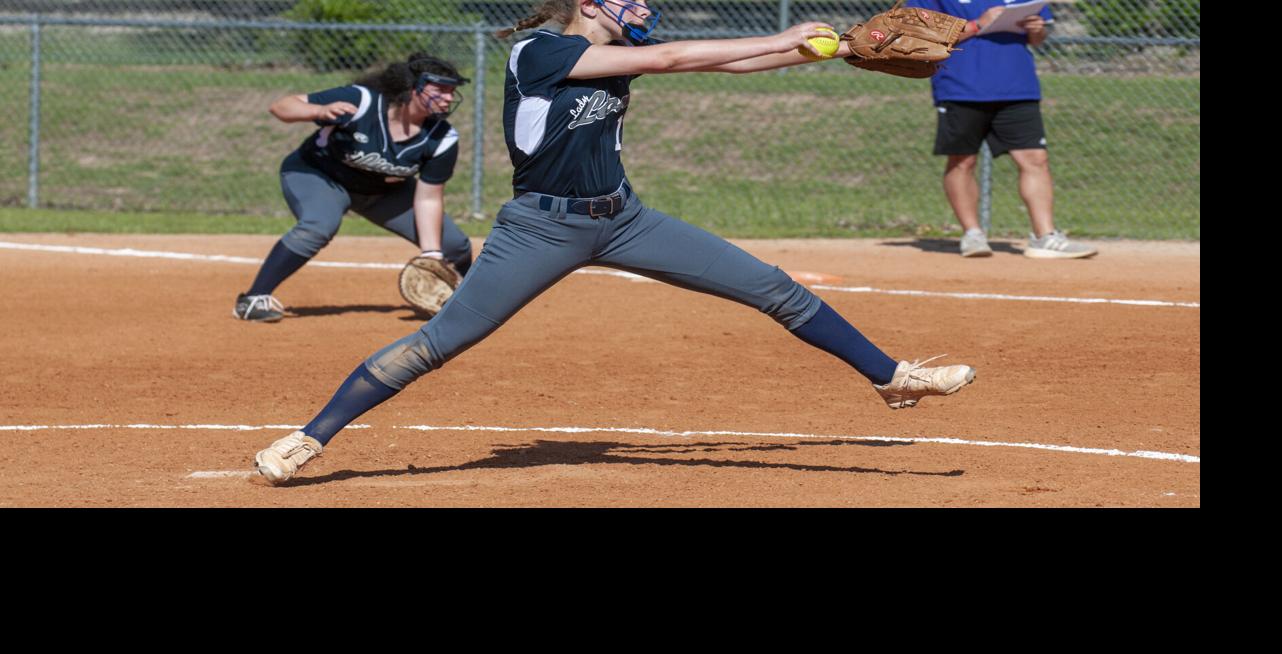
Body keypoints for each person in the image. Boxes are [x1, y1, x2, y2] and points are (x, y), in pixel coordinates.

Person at [252, 0, 977, 483]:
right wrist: (786, 35)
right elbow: (671, 61)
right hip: (540, 227)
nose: (641, 7)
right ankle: (311, 436)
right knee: (438, 343)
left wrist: (828, 50)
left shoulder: (618, 49)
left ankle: (892, 377)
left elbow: (720, 61)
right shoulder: (537, 51)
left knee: (772, 288)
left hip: (623, 218)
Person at [233, 53, 476, 322]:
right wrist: (317, 111)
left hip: (384, 192)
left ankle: (473, 301)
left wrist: (431, 254)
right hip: (320, 175)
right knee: (318, 225)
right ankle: (253, 299)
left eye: (452, 91)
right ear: (411, 87)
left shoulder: (441, 137)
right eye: (440, 89)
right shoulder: (362, 101)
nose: (449, 98)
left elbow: (429, 197)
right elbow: (281, 106)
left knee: (454, 245)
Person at [905, 0, 1097, 259]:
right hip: (961, 86)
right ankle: (973, 234)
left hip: (1018, 86)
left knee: (1035, 159)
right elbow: (924, 37)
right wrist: (979, 24)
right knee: (962, 160)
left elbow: (1037, 39)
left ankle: (1045, 236)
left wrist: (1036, 29)